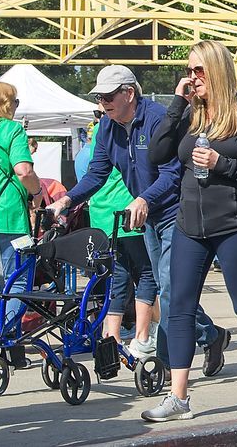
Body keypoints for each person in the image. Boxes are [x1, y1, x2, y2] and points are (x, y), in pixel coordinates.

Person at [143, 40, 237, 421]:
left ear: (218, 71)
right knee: (179, 307)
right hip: (190, 224)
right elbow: (157, 154)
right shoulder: (191, 115)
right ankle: (179, 396)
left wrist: (221, 162)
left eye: (199, 71)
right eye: (189, 71)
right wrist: (177, 103)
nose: (192, 78)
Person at [48, 66, 229, 376]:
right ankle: (211, 335)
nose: (103, 102)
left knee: (170, 290)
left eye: (108, 96)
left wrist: (145, 198)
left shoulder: (159, 118)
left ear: (129, 93)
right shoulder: (108, 125)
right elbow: (97, 172)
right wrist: (68, 199)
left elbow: (173, 173)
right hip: (149, 216)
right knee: (167, 287)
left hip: (177, 211)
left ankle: (168, 367)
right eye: (99, 97)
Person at [75, 118, 156, 358]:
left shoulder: (95, 139)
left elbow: (88, 177)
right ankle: (142, 336)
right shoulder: (133, 132)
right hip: (129, 212)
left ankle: (111, 336)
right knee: (146, 274)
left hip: (102, 217)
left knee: (115, 277)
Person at [0, 82, 43, 351]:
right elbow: (23, 171)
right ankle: (6, 337)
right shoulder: (11, 129)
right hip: (8, 214)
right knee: (21, 278)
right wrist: (37, 192)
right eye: (15, 102)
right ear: (6, 103)